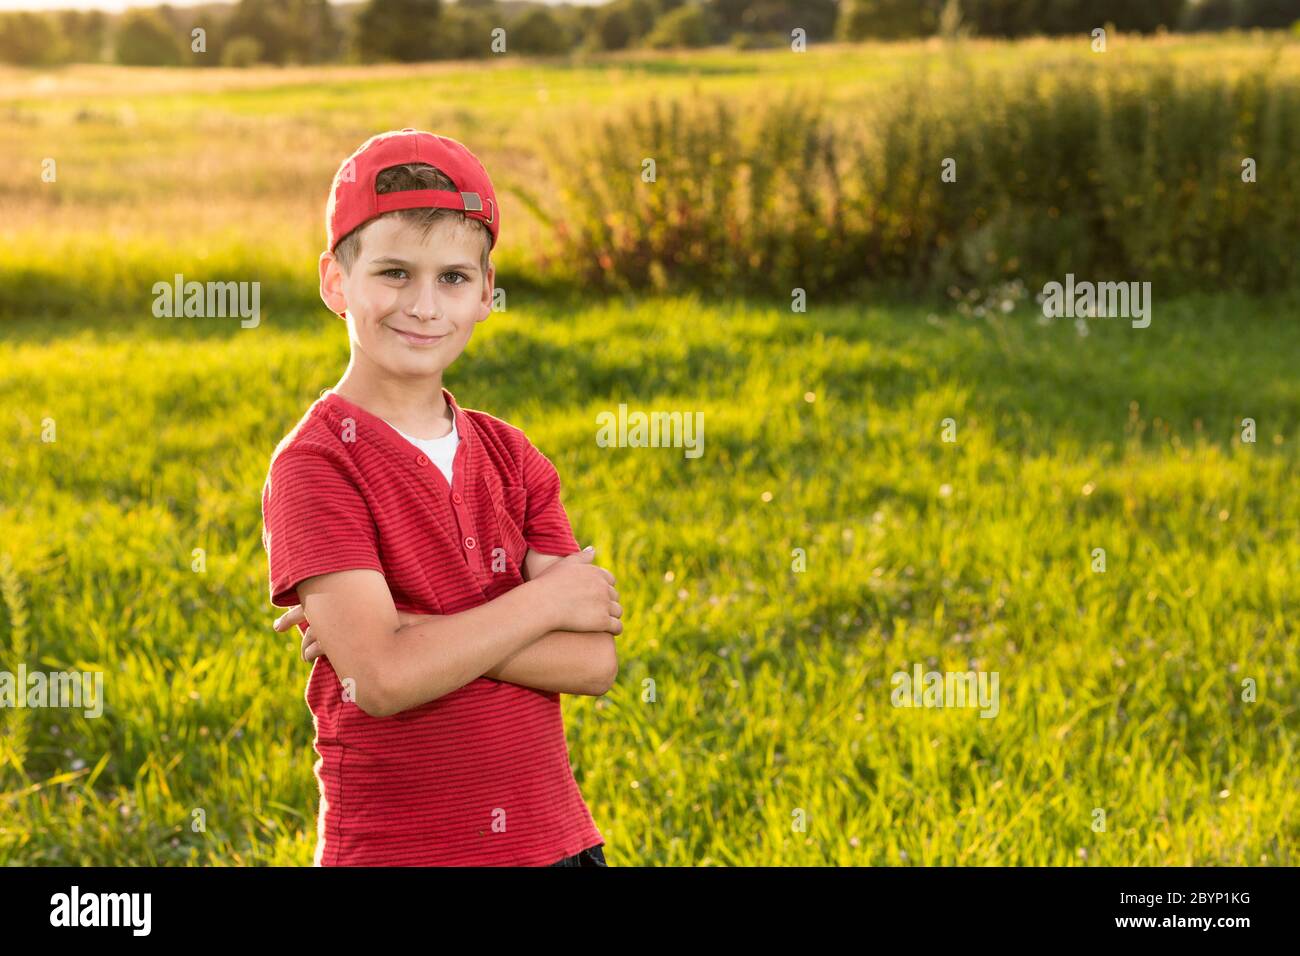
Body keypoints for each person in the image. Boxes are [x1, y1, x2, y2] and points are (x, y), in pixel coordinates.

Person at [261, 129, 619, 866]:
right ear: (335, 281)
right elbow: (383, 681)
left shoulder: (511, 454)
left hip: (557, 843)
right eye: (394, 273)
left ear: (487, 292)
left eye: (453, 278)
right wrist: (544, 603)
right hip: (404, 850)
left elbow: (592, 663)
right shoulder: (317, 464)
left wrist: (413, 631)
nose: (424, 306)